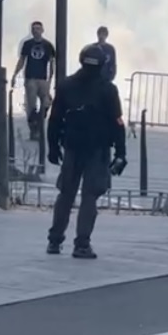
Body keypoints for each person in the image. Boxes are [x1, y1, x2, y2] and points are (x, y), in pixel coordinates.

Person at [45, 43, 127, 259]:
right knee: (89, 196)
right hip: (97, 150)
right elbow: (118, 123)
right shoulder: (108, 90)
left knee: (66, 194)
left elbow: (54, 120)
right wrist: (121, 153)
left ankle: (54, 240)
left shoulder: (66, 86)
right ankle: (82, 244)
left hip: (72, 146)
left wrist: (53, 146)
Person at [11, 21, 56, 138]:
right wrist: (15, 74)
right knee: (31, 105)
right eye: (34, 29)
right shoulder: (27, 44)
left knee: (46, 102)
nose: (36, 31)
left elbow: (51, 64)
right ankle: (33, 130)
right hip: (30, 77)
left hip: (43, 78)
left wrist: (50, 80)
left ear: (42, 30)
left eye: (38, 29)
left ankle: (39, 121)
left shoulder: (48, 45)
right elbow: (22, 60)